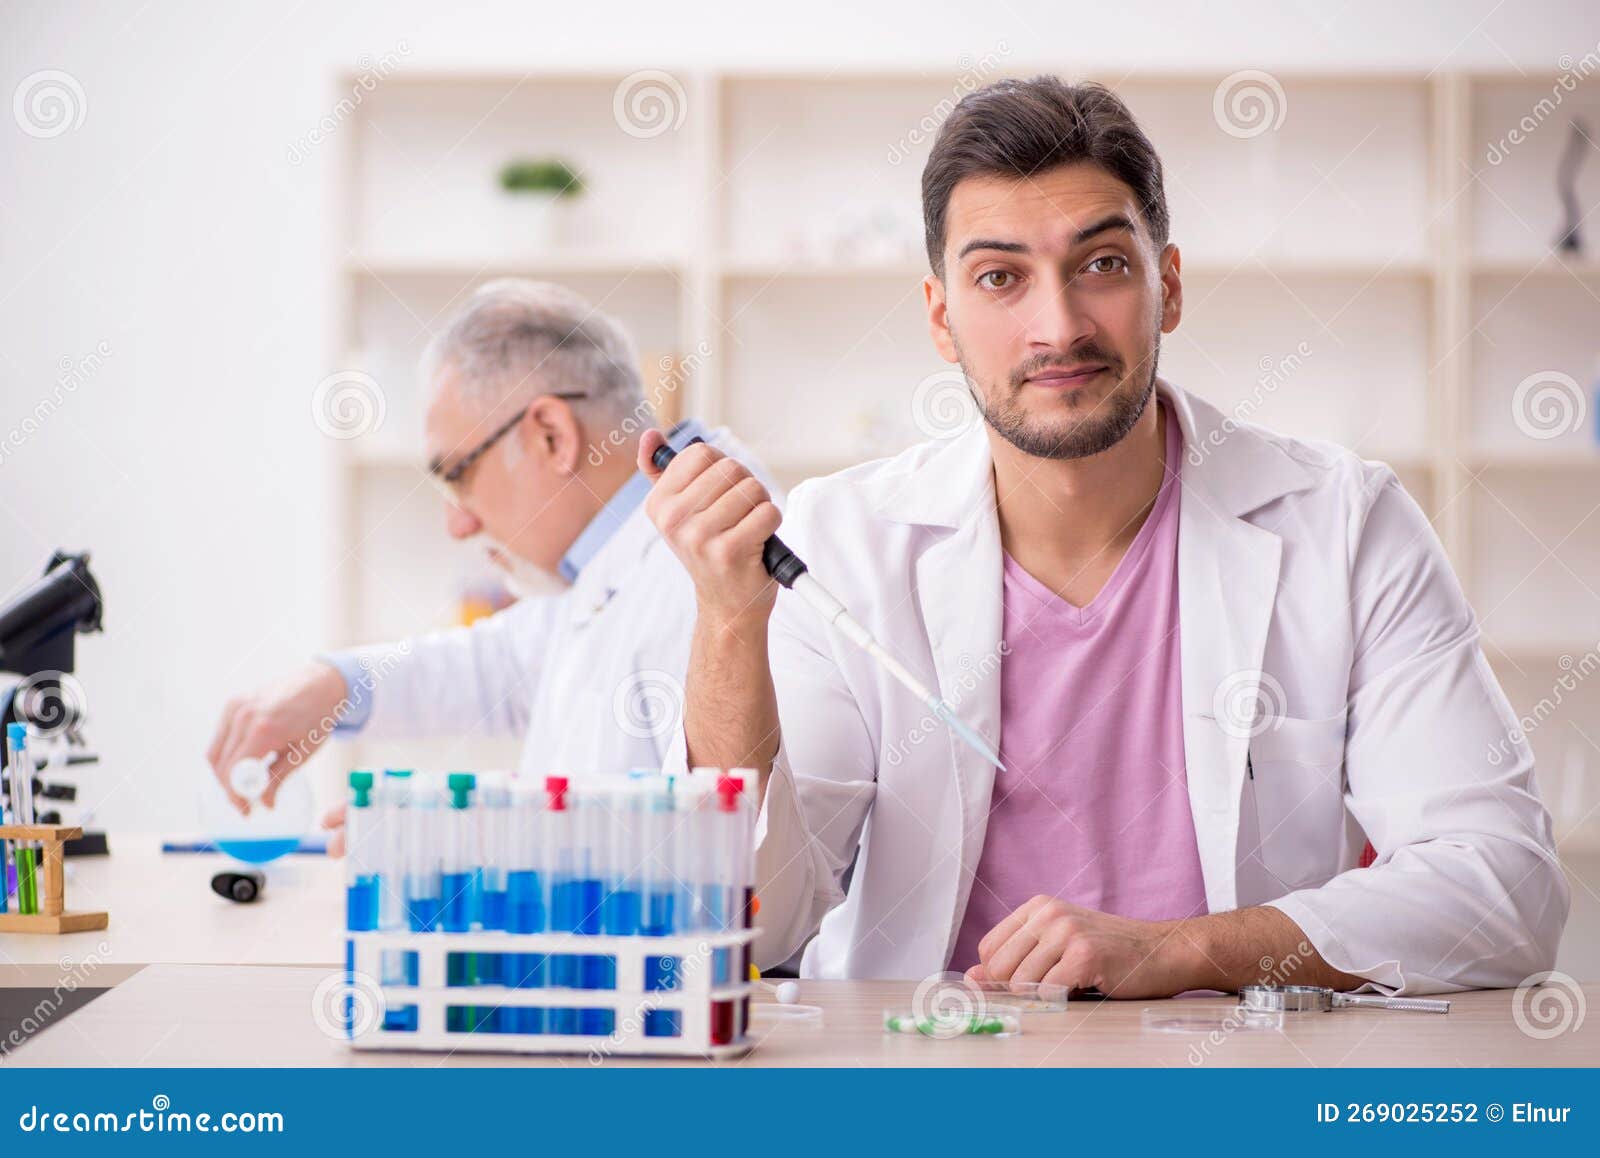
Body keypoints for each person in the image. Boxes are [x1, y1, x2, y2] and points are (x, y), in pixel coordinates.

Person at [639, 77, 1567, 995]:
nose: (1060, 326)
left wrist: (1175, 950)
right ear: (941, 319)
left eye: (1102, 265)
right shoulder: (842, 540)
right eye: (1001, 278)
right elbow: (749, 923)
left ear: (1166, 287)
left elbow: (1504, 889)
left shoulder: (1346, 523)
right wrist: (728, 620)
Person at [208, 280, 771, 849]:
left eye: (458, 475)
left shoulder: (718, 568)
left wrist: (456, 840)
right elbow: (498, 663)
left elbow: (714, 856)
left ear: (552, 437)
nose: (458, 525)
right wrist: (333, 686)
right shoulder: (612, 561)